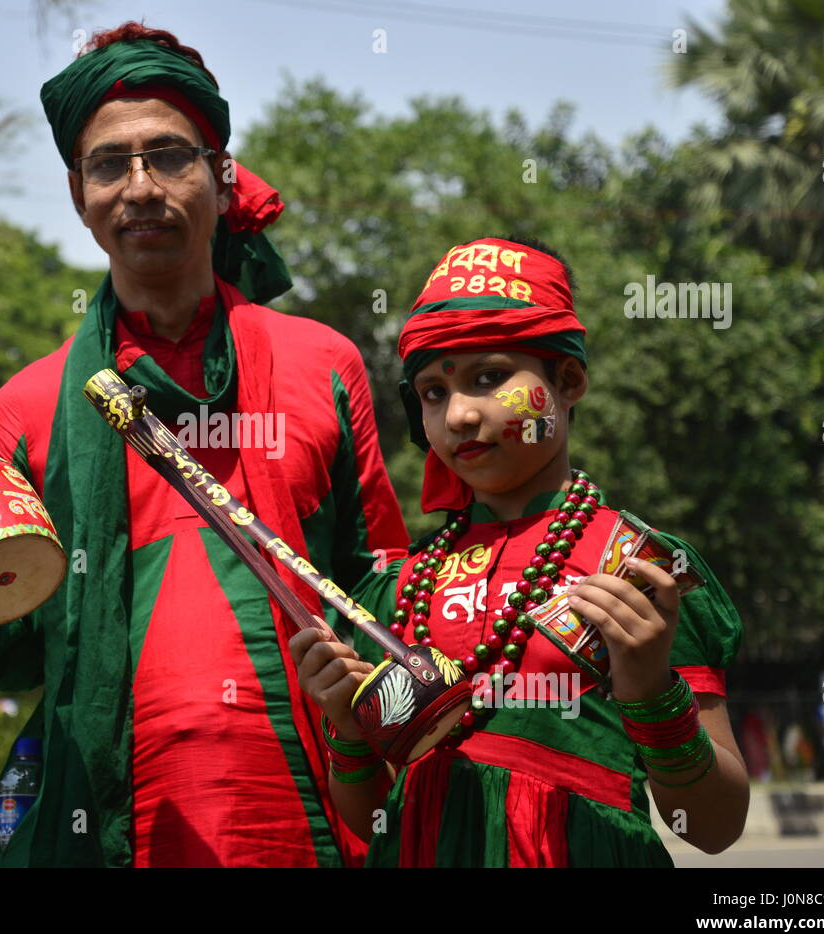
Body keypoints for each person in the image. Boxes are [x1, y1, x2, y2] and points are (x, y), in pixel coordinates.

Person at [0, 22, 408, 867]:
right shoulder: (27, 408)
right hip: (108, 829)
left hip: (319, 824)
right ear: (77, 193)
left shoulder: (324, 364)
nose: (140, 186)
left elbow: (376, 585)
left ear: (222, 175)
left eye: (169, 156)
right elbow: (13, 656)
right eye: (109, 163)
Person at [290, 237, 750, 865]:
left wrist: (649, 691)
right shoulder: (400, 588)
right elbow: (372, 816)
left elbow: (714, 828)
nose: (458, 415)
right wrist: (347, 725)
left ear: (569, 380)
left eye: (490, 377)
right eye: (432, 391)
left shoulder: (641, 569)